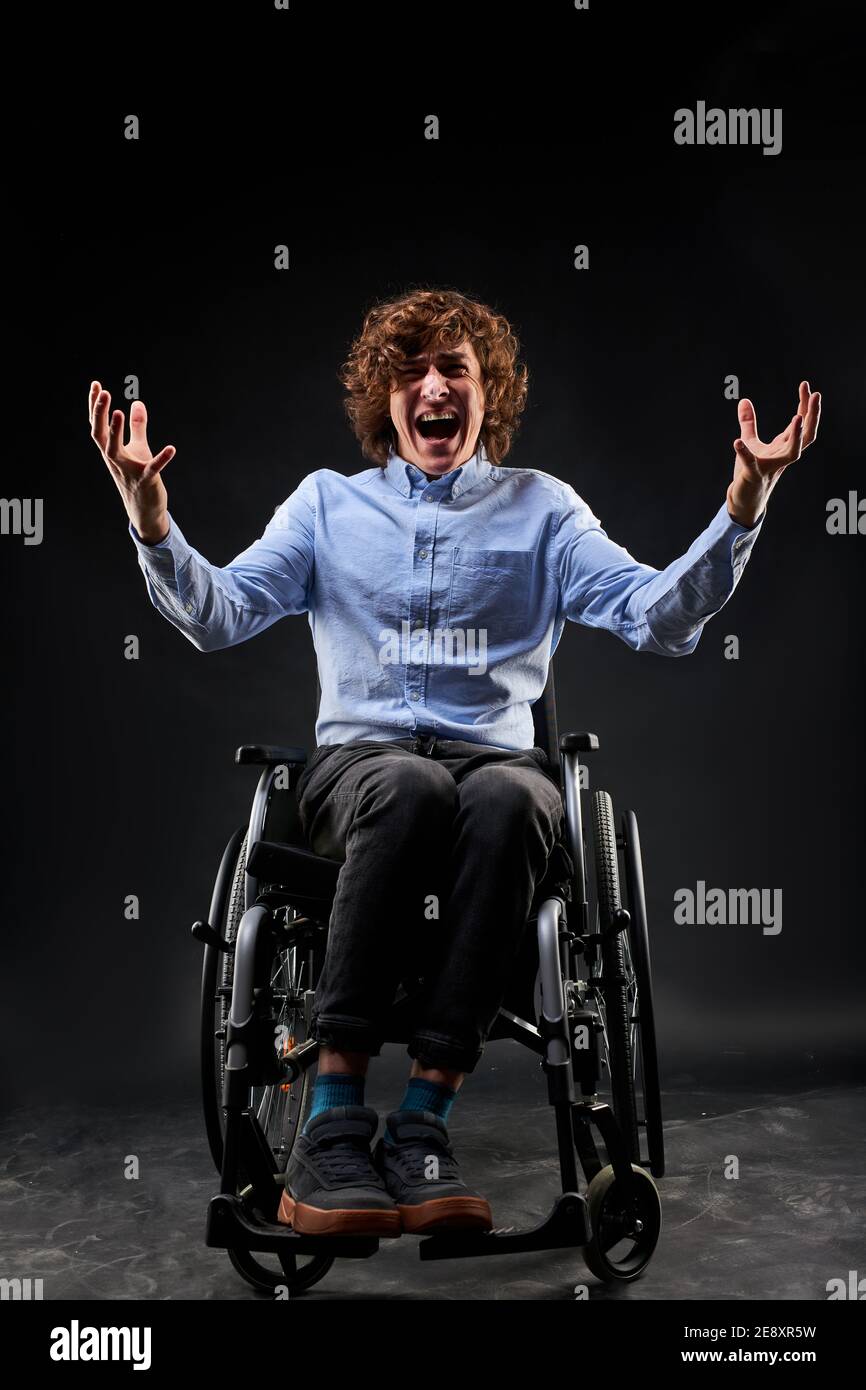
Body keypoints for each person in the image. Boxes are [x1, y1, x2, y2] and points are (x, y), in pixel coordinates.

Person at [88, 287, 821, 1238]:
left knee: (519, 801)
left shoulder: (543, 509)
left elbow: (657, 618)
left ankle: (423, 1122)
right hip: (362, 772)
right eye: (412, 371)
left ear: (488, 393)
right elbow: (218, 614)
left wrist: (743, 506)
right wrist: (152, 523)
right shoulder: (327, 505)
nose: (434, 386)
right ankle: (331, 1121)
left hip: (494, 772)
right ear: (386, 399)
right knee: (409, 783)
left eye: (455, 369)